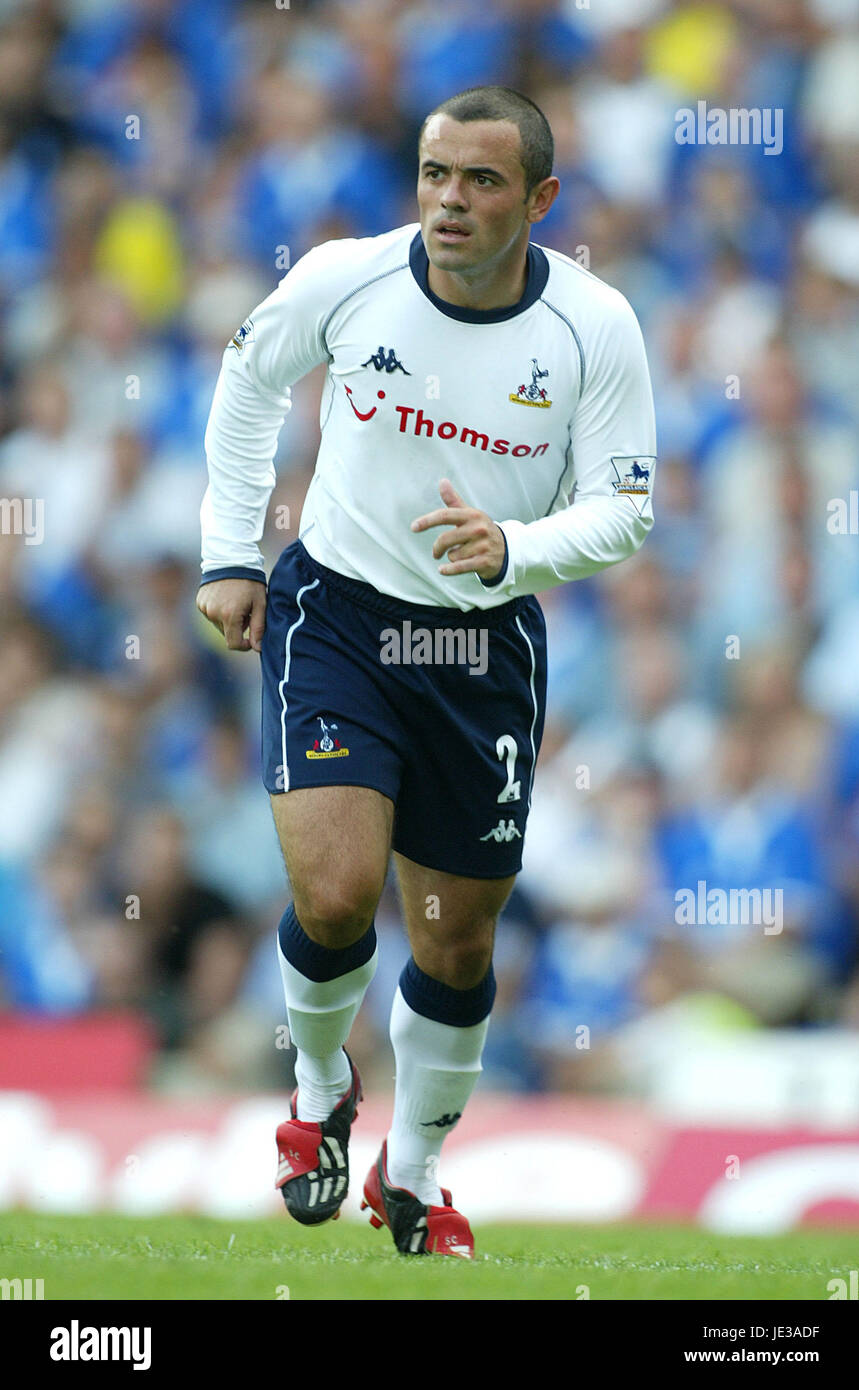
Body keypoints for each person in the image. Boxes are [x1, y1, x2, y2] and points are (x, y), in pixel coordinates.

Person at [196, 86, 656, 1258]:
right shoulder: (344, 278)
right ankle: (315, 1094)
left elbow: (627, 510)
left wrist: (518, 548)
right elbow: (249, 383)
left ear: (539, 199)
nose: (450, 201)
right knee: (334, 894)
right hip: (338, 617)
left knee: (452, 940)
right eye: (435, 173)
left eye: (483, 181)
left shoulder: (593, 326)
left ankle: (417, 1172)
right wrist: (228, 553)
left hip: (479, 645)